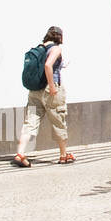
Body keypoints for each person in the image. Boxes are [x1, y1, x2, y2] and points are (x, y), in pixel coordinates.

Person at [13, 26, 72, 167]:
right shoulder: (56, 49)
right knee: (58, 120)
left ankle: (20, 153)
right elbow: (48, 65)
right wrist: (52, 86)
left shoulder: (38, 49)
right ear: (59, 37)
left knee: (30, 122)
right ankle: (64, 155)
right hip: (50, 91)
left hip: (34, 91)